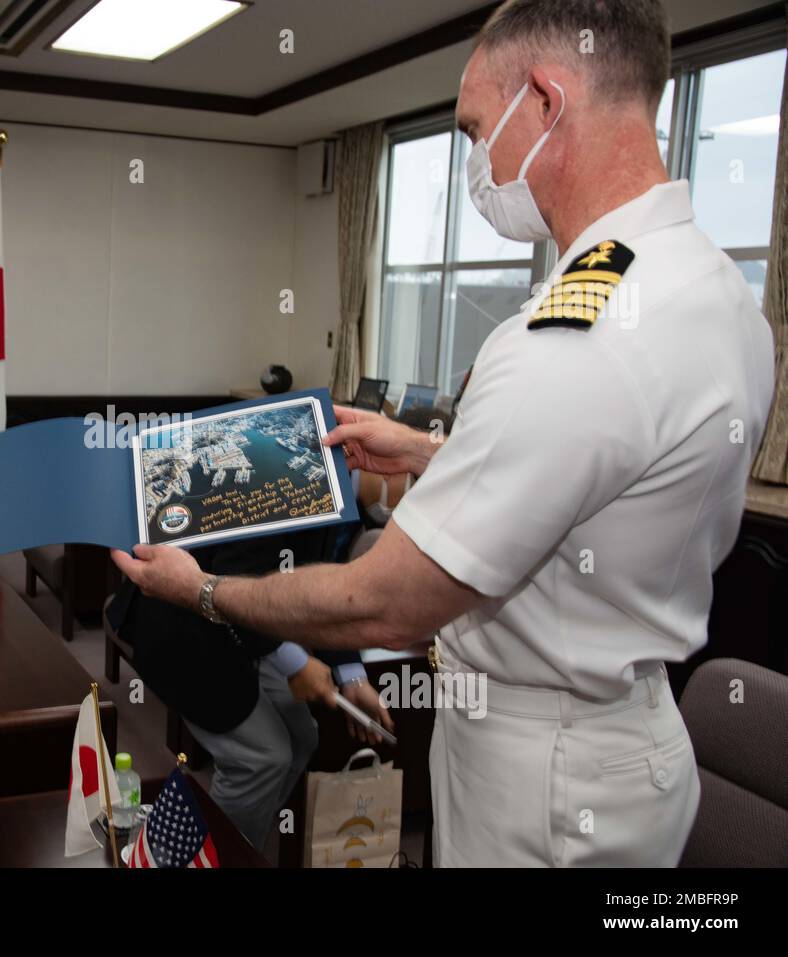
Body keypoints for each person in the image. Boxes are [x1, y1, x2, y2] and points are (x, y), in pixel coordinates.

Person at [112, 0, 775, 866]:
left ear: (545, 101)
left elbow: (384, 600)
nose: (473, 159)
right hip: (634, 736)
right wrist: (434, 453)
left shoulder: (569, 340)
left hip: (539, 776)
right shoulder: (723, 295)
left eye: (471, 127)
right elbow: (606, 480)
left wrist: (201, 590)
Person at [107, 522, 392, 850]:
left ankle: (239, 841)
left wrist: (351, 675)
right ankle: (210, 855)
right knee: (263, 758)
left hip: (253, 622)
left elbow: (332, 578)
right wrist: (296, 664)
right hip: (184, 622)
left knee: (303, 737)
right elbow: (230, 578)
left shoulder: (345, 483)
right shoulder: (286, 476)